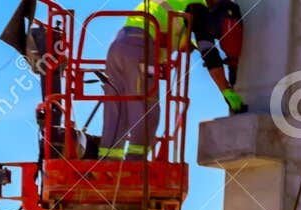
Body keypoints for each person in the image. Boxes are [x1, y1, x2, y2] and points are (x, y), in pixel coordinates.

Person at [99, 0, 246, 161]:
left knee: (117, 110)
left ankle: (108, 163)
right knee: (147, 113)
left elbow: (169, 22)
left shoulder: (182, 5)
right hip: (141, 48)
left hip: (118, 47)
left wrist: (186, 42)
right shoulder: (198, 6)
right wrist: (227, 91)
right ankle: (135, 165)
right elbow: (209, 52)